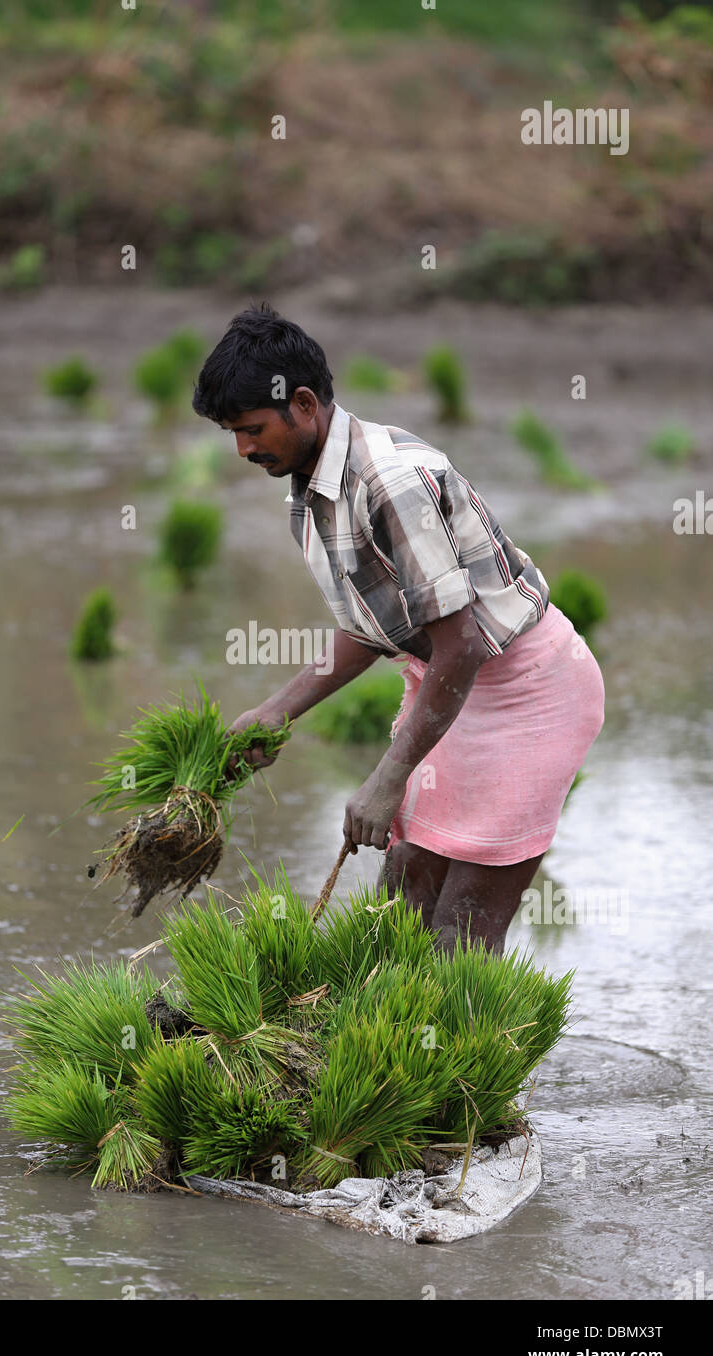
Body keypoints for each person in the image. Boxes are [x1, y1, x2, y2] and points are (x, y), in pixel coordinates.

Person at [192, 305, 605, 954]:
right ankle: (377, 1052)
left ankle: (470, 1056)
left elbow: (461, 643)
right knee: (397, 921)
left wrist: (387, 778)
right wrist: (276, 711)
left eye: (251, 429)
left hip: (528, 695)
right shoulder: (310, 490)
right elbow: (374, 628)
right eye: (232, 435)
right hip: (450, 690)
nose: (243, 449)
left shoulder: (388, 482)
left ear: (303, 404)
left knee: (457, 941)